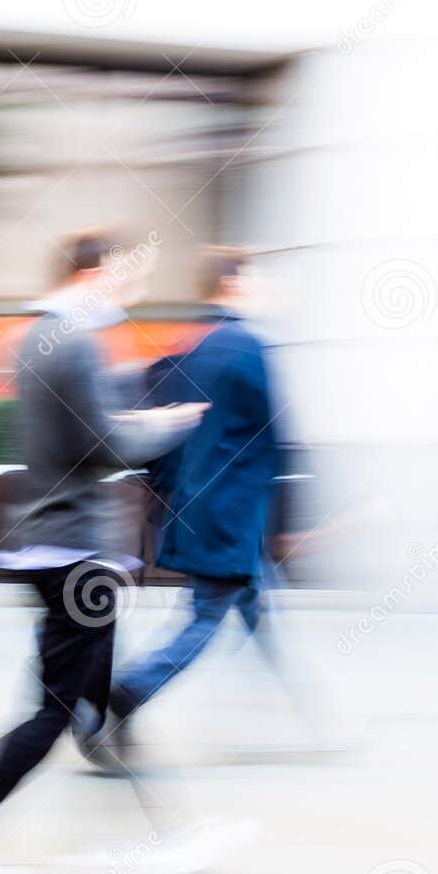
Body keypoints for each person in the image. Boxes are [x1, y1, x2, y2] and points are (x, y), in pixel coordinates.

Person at [0, 231, 206, 874]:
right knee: (59, 708)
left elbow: (75, 432)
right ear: (98, 271)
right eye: (133, 276)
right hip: (75, 553)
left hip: (51, 542)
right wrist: (172, 422)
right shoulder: (75, 338)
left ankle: (148, 837)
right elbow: (105, 441)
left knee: (96, 705)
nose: (137, 291)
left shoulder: (39, 335)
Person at [95, 248, 294, 759]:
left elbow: (157, 430)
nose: (259, 290)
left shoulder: (183, 347)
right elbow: (273, 441)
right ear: (230, 284)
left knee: (256, 607)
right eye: (252, 280)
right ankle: (129, 691)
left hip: (197, 512)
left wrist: (169, 496)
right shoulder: (248, 346)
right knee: (207, 617)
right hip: (232, 520)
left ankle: (303, 714)